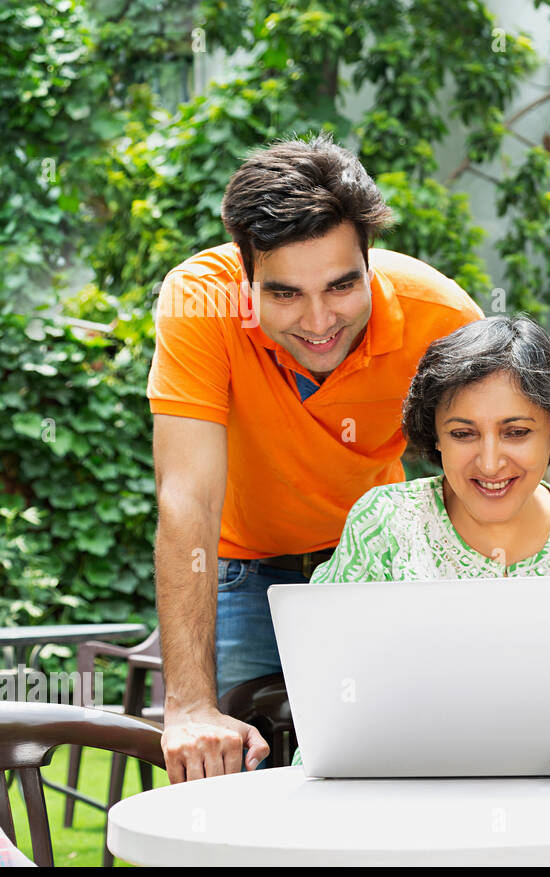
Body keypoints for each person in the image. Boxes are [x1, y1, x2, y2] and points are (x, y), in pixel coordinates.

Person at [149, 134, 482, 782]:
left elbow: (491, 469)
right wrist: (189, 706)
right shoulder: (199, 301)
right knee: (230, 778)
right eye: (284, 295)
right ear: (244, 275)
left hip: (373, 565)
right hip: (244, 570)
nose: (320, 320)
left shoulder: (439, 315)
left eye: (341, 285)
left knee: (399, 768)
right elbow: (187, 495)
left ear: (369, 259)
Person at [309, 316, 550, 716]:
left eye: (516, 432)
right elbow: (327, 685)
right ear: (436, 438)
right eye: (463, 434)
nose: (491, 462)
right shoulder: (385, 523)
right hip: (402, 771)